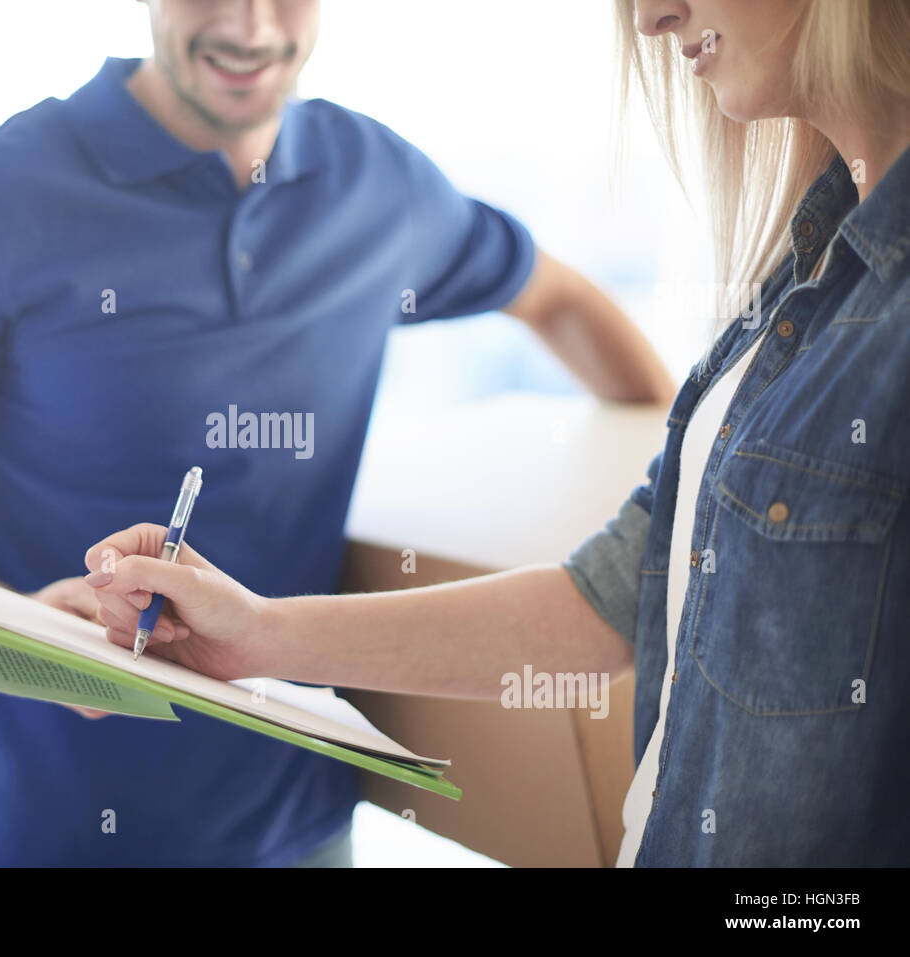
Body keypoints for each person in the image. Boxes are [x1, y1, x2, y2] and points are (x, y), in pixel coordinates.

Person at [0, 0, 673, 867]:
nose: (251, 24)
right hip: (50, 826)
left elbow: (557, 298)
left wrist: (682, 495)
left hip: (304, 817)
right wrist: (4, 627)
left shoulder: (377, 184)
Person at [81, 0, 910, 866]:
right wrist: (254, 634)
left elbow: (557, 296)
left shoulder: (372, 179)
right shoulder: (809, 261)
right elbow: (612, 596)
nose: (652, 20)